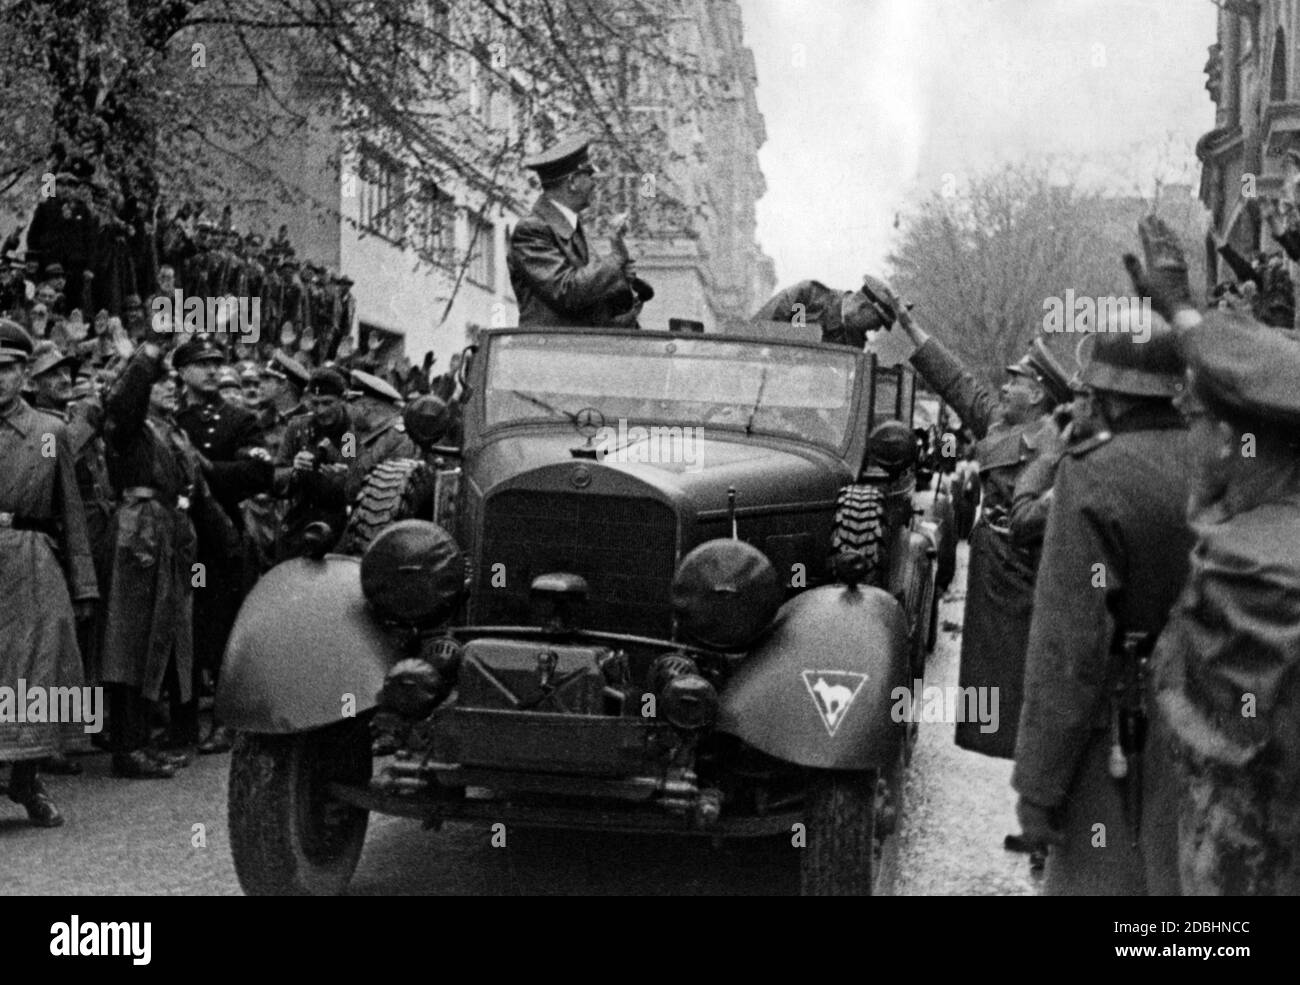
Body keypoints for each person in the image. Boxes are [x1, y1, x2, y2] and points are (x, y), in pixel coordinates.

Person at [1011, 300, 1192, 895]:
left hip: (1127, 734)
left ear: (1108, 394)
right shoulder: (1230, 464)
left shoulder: (1094, 475)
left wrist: (1038, 788)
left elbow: (1071, 649)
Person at [1149, 308, 1300, 895]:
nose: (1190, 440)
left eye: (1197, 420)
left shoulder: (1252, 568)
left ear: (1238, 442)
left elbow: (1234, 785)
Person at [893, 304, 1072, 761]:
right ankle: (997, 738)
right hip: (993, 555)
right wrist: (912, 327)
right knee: (990, 665)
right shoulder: (999, 426)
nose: (1005, 387)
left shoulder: (1057, 440)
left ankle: (1036, 751)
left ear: (1036, 396)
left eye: (1016, 381)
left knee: (1026, 662)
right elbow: (957, 383)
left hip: (1028, 562)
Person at [0, 320, 99, 825]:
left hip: (31, 558)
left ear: (25, 375)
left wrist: (83, 585)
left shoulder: (48, 432)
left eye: (9, 368)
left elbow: (72, 512)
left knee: (37, 669)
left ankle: (25, 779)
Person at [173, 336, 270, 754]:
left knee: (221, 629)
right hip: (178, 533)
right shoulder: (173, 419)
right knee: (182, 628)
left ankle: (225, 721)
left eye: (217, 363)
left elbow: (257, 473)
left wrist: (207, 471)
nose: (212, 370)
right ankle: (182, 724)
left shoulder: (239, 420)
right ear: (182, 372)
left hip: (221, 536)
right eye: (202, 364)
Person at [507, 135, 644, 328]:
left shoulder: (571, 229)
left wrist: (620, 276)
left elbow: (590, 302)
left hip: (574, 349)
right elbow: (566, 292)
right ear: (572, 182)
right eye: (589, 175)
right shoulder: (532, 230)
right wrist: (615, 260)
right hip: (548, 352)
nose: (594, 184)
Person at [274, 367, 353, 558]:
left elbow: (367, 482)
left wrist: (345, 480)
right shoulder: (297, 427)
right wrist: (294, 471)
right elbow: (275, 479)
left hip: (342, 528)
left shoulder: (353, 433)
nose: (321, 411)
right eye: (315, 403)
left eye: (328, 403)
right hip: (300, 524)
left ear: (343, 399)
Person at [752, 275, 899, 347]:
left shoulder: (855, 342)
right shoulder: (805, 297)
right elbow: (755, 335)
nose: (876, 329)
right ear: (863, 307)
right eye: (877, 321)